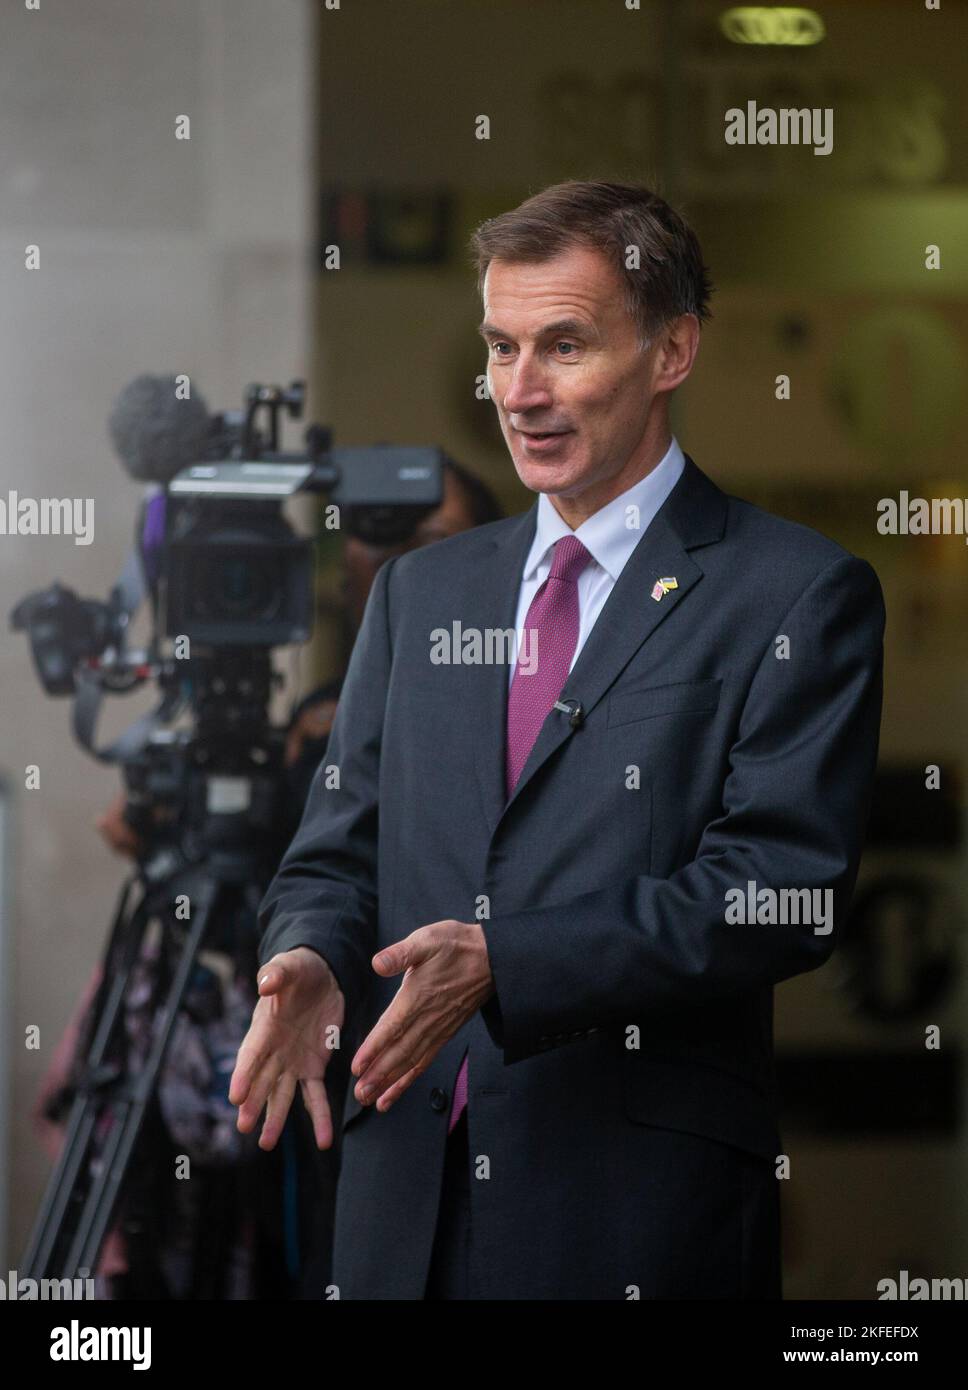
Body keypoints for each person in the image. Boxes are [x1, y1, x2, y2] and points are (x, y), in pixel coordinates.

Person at [229, 180, 886, 1300]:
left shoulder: (793, 592)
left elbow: (781, 889)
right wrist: (304, 952)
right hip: (399, 1211)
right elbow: (339, 850)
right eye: (499, 347)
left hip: (629, 1215)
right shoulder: (420, 594)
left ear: (671, 350)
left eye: (564, 346)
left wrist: (506, 964)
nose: (518, 392)